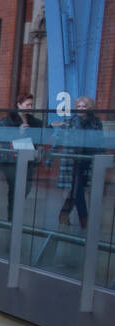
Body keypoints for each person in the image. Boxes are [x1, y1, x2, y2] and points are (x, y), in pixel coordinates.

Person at [0, 92, 44, 222]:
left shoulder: (34, 122)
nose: (30, 107)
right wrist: (19, 133)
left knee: (26, 187)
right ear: (19, 104)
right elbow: (3, 139)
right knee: (14, 188)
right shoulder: (7, 121)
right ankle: (12, 217)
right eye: (27, 104)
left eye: (31, 105)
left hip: (27, 159)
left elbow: (41, 135)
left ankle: (16, 213)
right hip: (12, 160)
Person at [58, 96, 103, 229]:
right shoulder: (70, 121)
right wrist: (50, 157)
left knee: (76, 189)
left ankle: (63, 213)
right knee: (79, 190)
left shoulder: (96, 122)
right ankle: (84, 219)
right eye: (79, 106)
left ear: (89, 108)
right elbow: (59, 138)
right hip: (73, 160)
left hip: (88, 159)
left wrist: (100, 156)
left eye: (84, 106)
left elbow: (100, 140)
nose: (81, 109)